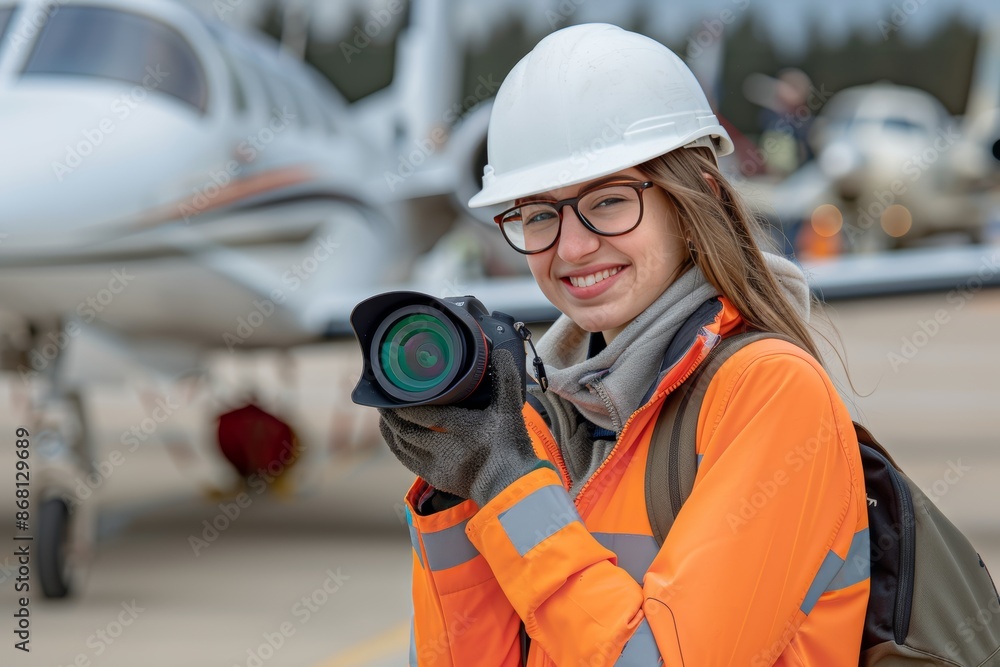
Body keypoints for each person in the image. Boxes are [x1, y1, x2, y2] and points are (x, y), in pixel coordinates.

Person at [377, 23, 870, 666]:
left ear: (697, 202)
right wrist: (456, 495)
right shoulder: (540, 418)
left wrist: (506, 488)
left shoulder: (770, 394)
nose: (572, 247)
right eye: (539, 214)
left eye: (609, 202)